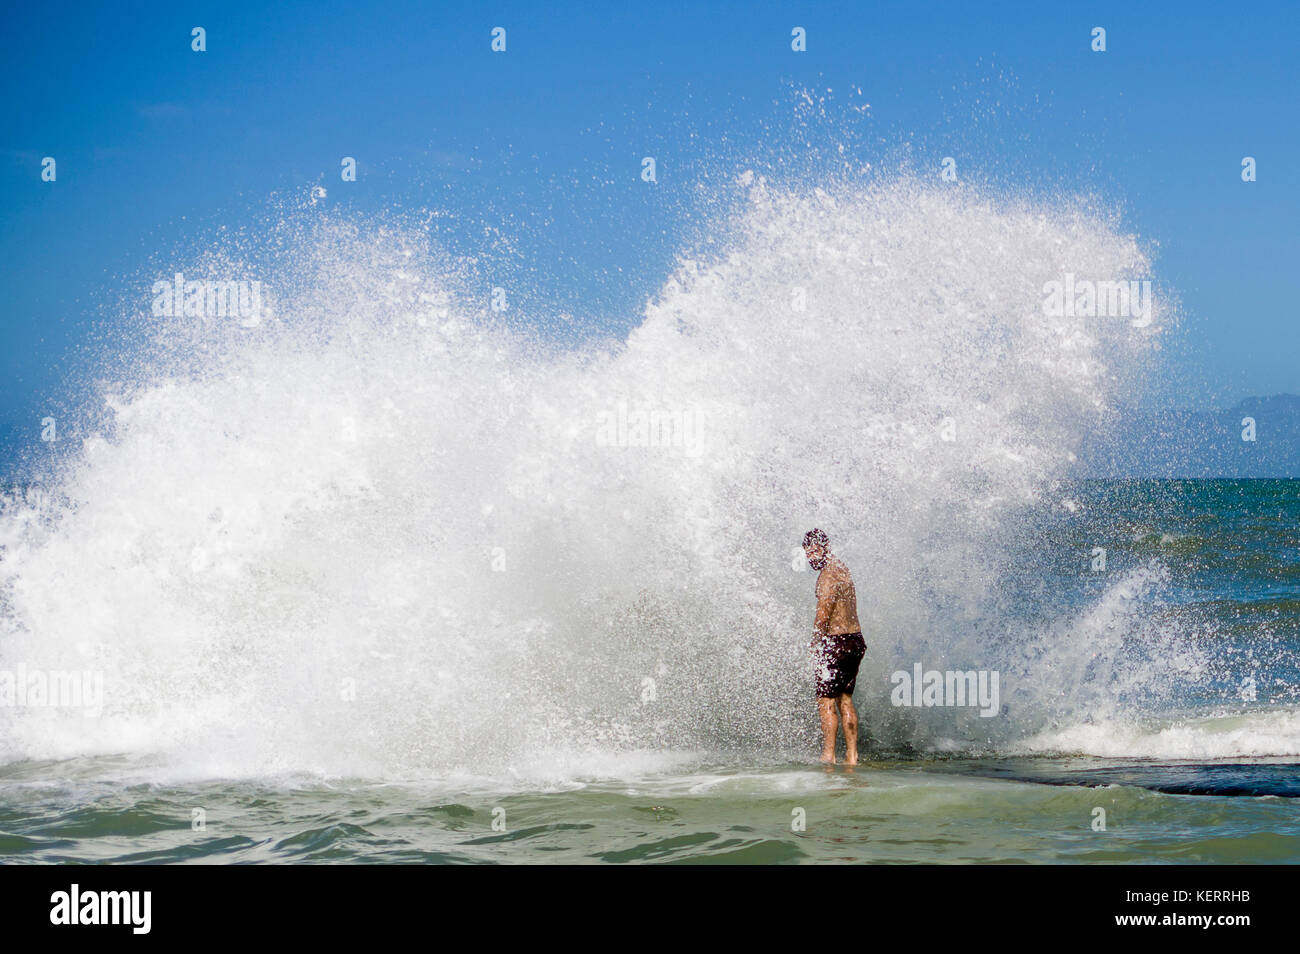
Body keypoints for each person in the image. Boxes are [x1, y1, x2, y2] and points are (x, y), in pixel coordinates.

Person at [802, 528, 866, 764]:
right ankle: (851, 756)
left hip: (835, 642)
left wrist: (815, 644)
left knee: (826, 701)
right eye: (807, 553)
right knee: (845, 699)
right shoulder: (842, 568)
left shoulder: (827, 576)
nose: (811, 557)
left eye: (814, 551)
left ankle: (828, 756)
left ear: (825, 548)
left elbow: (823, 616)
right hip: (855, 640)